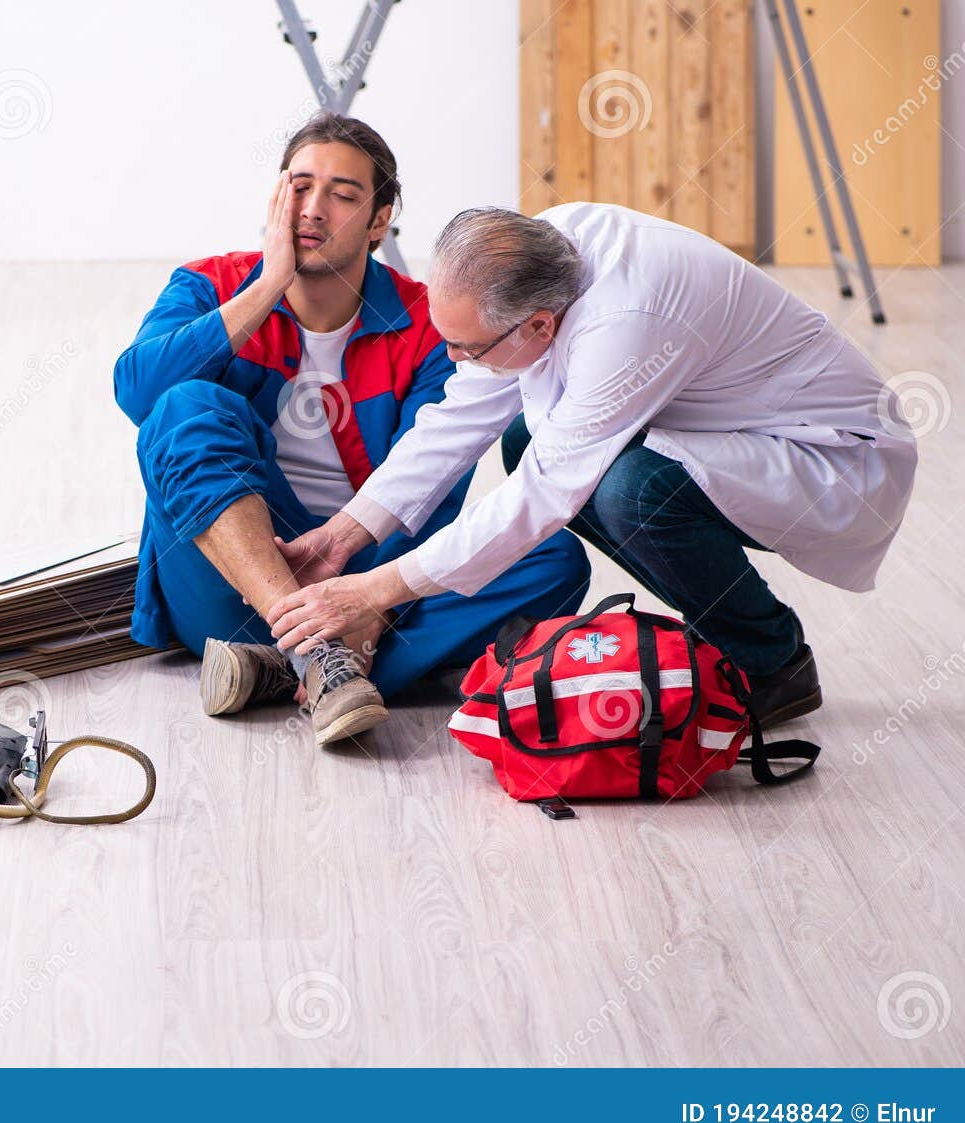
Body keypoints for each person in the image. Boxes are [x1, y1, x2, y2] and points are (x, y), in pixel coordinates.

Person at [267, 202, 918, 727]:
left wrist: (375, 590)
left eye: (466, 347)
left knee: (634, 492)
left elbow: (545, 494)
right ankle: (727, 631)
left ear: (541, 328)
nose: (455, 360)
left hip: (833, 455)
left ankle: (771, 663)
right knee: (528, 441)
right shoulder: (538, 258)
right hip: (738, 433)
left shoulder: (627, 323)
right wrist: (343, 533)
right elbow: (458, 416)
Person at [113, 116, 589, 745]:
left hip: (363, 572)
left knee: (554, 559)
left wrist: (368, 597)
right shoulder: (212, 285)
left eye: (341, 195)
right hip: (229, 574)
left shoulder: (432, 320)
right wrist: (269, 284)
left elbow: (432, 491)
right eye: (300, 187)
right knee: (186, 406)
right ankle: (318, 658)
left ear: (378, 220)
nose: (312, 210)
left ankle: (280, 670)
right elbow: (140, 395)